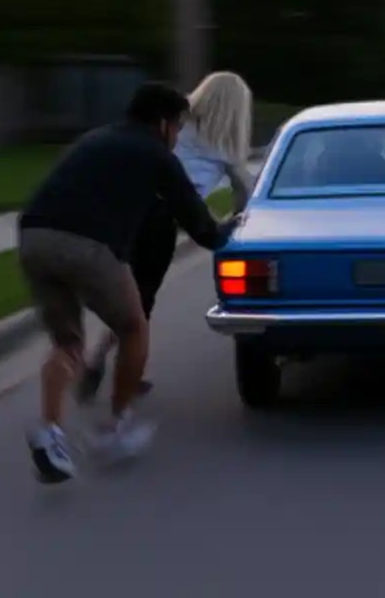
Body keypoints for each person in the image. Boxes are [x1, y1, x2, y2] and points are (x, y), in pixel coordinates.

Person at [18, 82, 238, 483]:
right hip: (87, 245)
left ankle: (49, 431)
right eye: (177, 127)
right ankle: (116, 428)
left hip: (34, 237)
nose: (176, 136)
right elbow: (200, 227)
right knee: (134, 326)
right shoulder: (156, 154)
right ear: (163, 123)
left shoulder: (95, 138)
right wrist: (228, 230)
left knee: (67, 344)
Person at [75, 71, 256, 402]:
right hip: (160, 221)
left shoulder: (175, 124)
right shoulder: (224, 145)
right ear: (236, 109)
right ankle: (112, 365)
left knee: (121, 288)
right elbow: (246, 193)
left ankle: (104, 358)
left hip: (125, 210)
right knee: (141, 300)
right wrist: (234, 220)